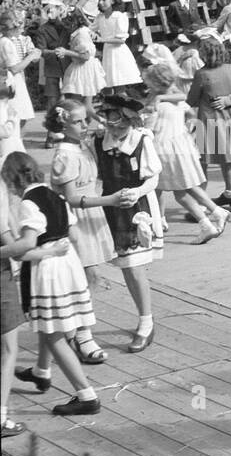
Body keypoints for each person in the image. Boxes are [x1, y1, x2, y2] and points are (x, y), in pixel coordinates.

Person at [1, 152, 100, 417]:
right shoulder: (56, 196)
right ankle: (41, 372)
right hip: (69, 264)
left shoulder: (28, 203)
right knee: (51, 325)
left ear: (11, 182)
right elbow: (75, 236)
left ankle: (86, 395)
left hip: (49, 270)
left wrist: (17, 251)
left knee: (55, 334)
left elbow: (27, 245)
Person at [88, 94, 166, 352]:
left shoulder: (141, 141)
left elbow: (154, 178)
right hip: (110, 206)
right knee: (125, 266)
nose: (117, 131)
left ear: (131, 123)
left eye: (122, 126)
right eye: (112, 125)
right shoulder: (99, 142)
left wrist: (139, 191)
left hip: (136, 209)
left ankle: (146, 322)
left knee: (134, 266)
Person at [44, 100, 115, 341]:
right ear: (62, 126)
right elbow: (72, 198)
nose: (86, 125)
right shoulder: (65, 154)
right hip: (76, 221)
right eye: (78, 121)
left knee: (88, 277)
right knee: (86, 278)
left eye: (86, 119)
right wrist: (110, 200)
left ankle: (78, 331)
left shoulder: (81, 145)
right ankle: (82, 334)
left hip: (90, 214)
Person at [138, 65, 228, 243]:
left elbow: (149, 129)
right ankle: (213, 215)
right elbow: (190, 113)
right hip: (181, 146)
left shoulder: (156, 103)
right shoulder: (174, 98)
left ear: (155, 83)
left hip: (164, 150)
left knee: (174, 190)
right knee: (185, 187)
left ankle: (208, 219)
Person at [188, 37, 231, 218]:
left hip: (209, 122)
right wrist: (228, 100)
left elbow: (192, 100)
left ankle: (202, 209)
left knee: (202, 165)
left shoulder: (202, 74)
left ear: (204, 54)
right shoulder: (230, 69)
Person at [57, 7, 106, 99]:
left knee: (77, 98)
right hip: (83, 67)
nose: (64, 25)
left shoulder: (81, 35)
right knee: (78, 99)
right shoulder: (81, 31)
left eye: (66, 22)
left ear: (73, 22)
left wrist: (66, 52)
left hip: (84, 69)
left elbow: (85, 56)